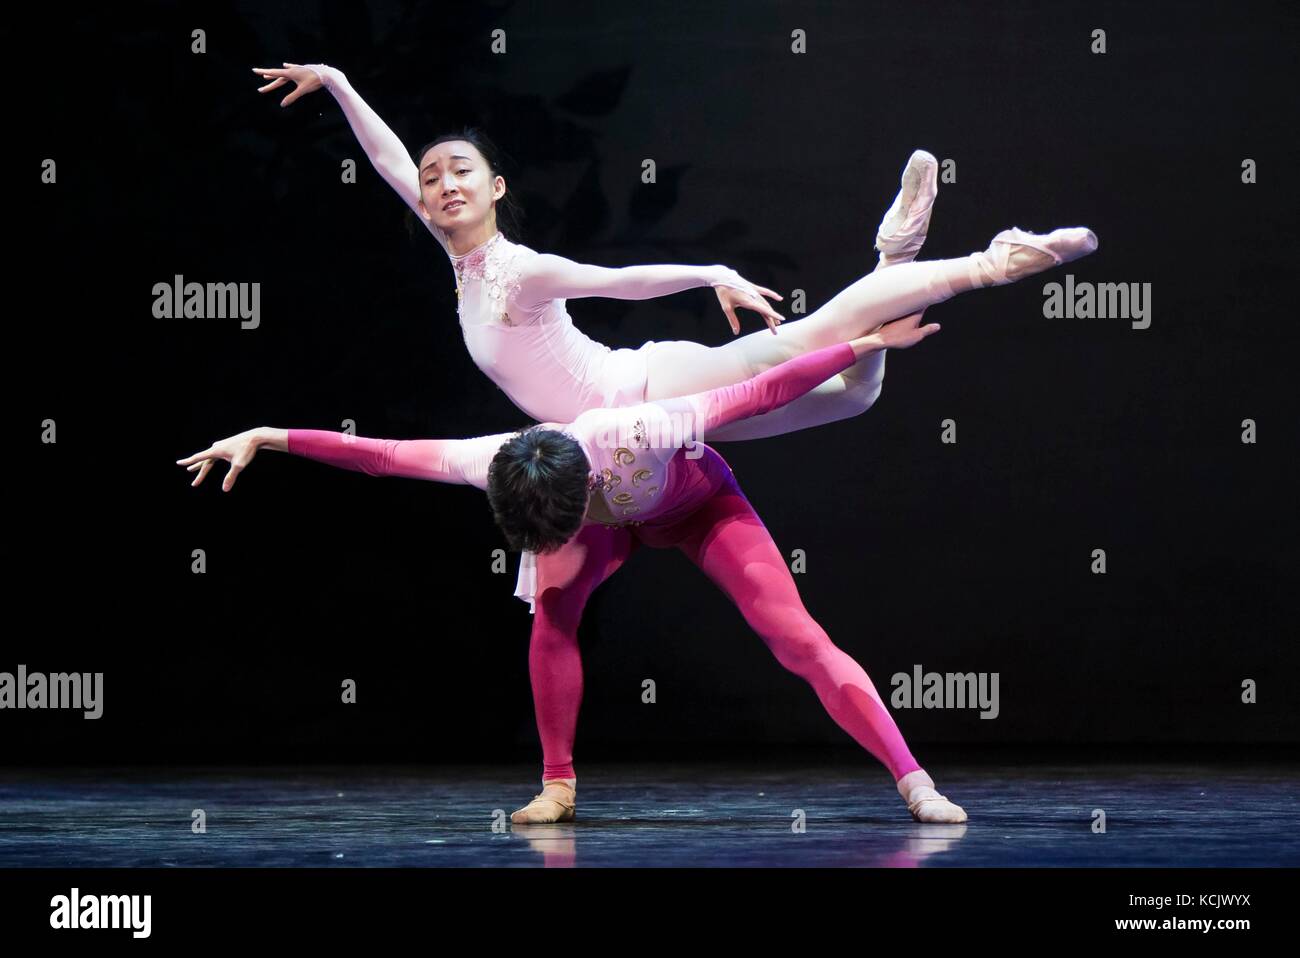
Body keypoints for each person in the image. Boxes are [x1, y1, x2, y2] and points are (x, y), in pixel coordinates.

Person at [177, 313, 970, 824]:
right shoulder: (488, 461)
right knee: (552, 612)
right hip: (611, 524)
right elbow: (379, 457)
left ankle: (913, 779)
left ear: (588, 482)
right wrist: (270, 434)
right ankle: (558, 785)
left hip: (695, 508)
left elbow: (761, 391)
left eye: (570, 515)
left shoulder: (646, 425)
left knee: (794, 636)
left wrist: (860, 346)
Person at [251, 62, 1096, 443]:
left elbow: (622, 282)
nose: (439, 184)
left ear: (497, 189)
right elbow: (390, 159)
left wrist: (715, 271)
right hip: (643, 429)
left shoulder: (518, 271)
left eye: (460, 171)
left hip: (651, 387)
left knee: (822, 335)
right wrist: (336, 82)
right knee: (850, 395)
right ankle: (895, 256)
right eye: (433, 179)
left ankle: (994, 262)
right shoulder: (457, 258)